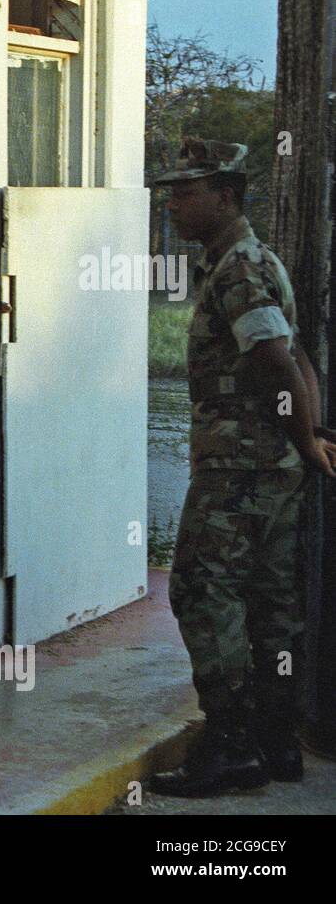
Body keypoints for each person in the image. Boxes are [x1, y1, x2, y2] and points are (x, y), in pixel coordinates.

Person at [150, 136, 336, 797]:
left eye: (187, 190)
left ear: (226, 195)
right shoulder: (251, 260)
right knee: (268, 600)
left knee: (201, 588)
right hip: (268, 465)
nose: (174, 203)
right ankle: (275, 739)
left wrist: (305, 439)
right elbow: (295, 355)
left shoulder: (238, 268)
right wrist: (306, 435)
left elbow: (277, 364)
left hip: (240, 468)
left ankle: (231, 742)